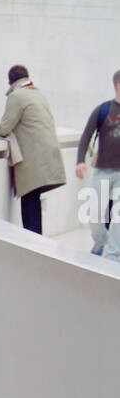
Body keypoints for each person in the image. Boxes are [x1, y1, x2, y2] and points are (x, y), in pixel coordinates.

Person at [0, 65, 66, 235]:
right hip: (49, 157)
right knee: (34, 201)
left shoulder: (16, 96)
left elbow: (3, 128)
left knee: (29, 202)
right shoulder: (39, 94)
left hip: (33, 159)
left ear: (10, 81)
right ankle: (37, 243)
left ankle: (33, 246)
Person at [76, 71, 120, 258]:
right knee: (94, 215)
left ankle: (113, 257)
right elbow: (86, 136)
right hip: (102, 171)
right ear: (118, 85)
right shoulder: (103, 110)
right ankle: (101, 241)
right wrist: (80, 161)